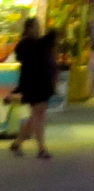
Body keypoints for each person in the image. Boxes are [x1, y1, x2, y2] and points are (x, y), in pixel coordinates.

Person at [8, 19, 58, 159]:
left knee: (36, 115)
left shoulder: (33, 44)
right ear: (29, 28)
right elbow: (41, 46)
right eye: (36, 26)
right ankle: (42, 148)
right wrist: (53, 33)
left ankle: (17, 143)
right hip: (34, 84)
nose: (38, 28)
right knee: (38, 115)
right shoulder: (27, 44)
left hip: (40, 84)